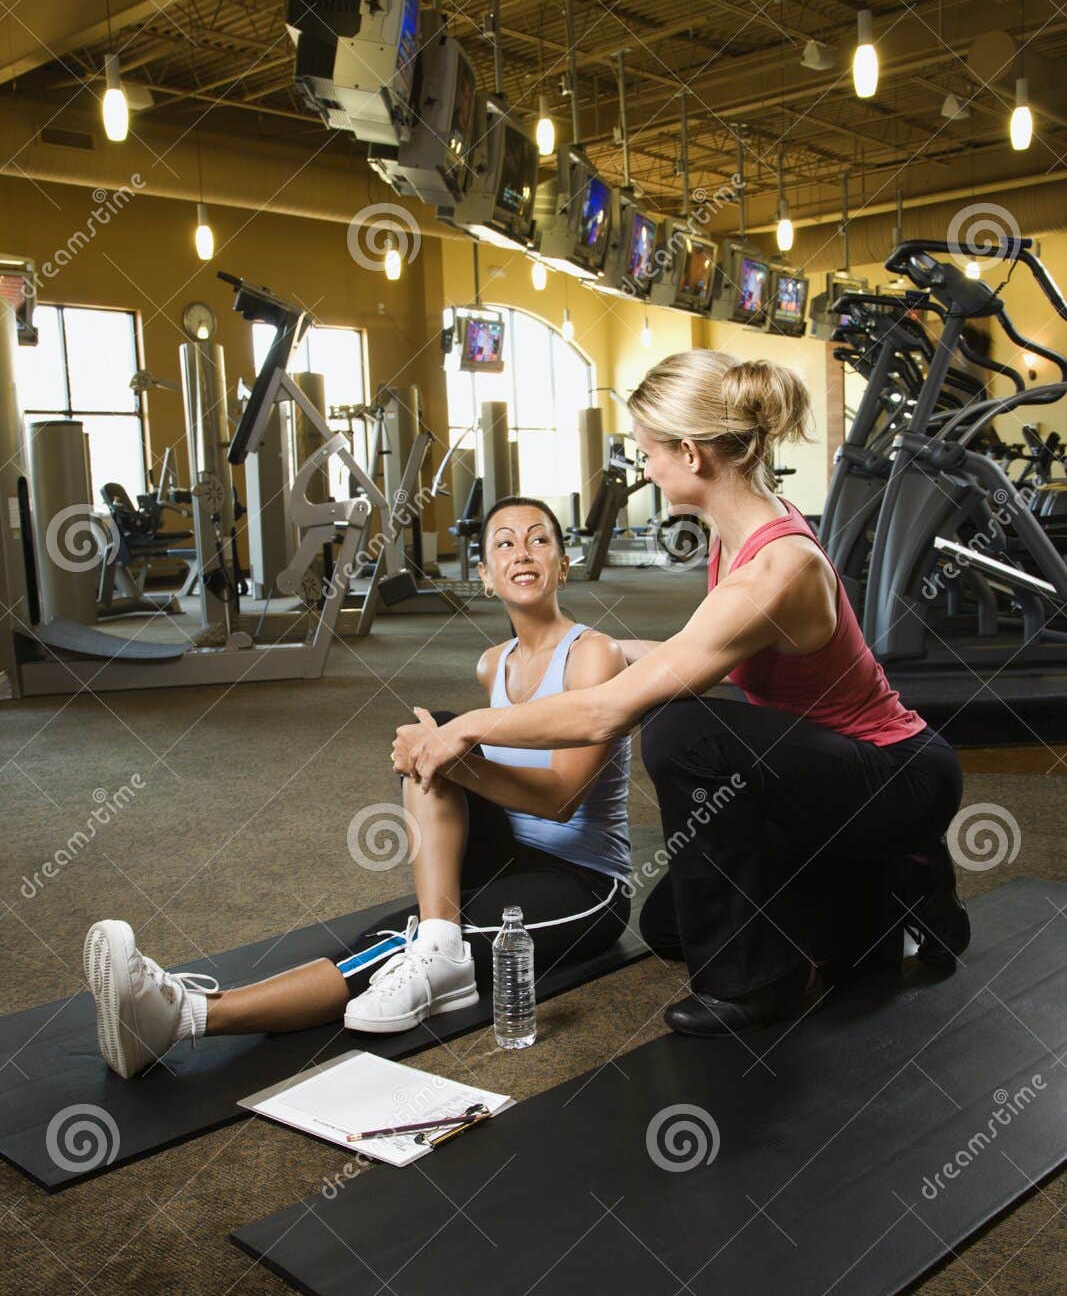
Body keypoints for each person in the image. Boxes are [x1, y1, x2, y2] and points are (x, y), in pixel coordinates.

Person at [394, 352, 968, 1038]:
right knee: (670, 924)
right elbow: (693, 653)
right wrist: (593, 651)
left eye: (648, 453)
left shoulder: (774, 569)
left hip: (894, 777)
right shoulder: (744, 529)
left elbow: (610, 711)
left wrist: (472, 728)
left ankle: (753, 987)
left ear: (690, 455)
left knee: (678, 730)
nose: (644, 469)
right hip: (821, 775)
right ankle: (895, 886)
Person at [84, 498, 631, 1079]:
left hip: (585, 884)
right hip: (507, 858)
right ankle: (437, 941)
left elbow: (561, 797)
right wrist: (440, 749)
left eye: (538, 540)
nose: (521, 552)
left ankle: (184, 1015)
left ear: (563, 565)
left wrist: (450, 755)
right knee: (435, 754)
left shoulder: (592, 654)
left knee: (398, 938)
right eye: (504, 543)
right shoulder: (491, 664)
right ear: (486, 574)